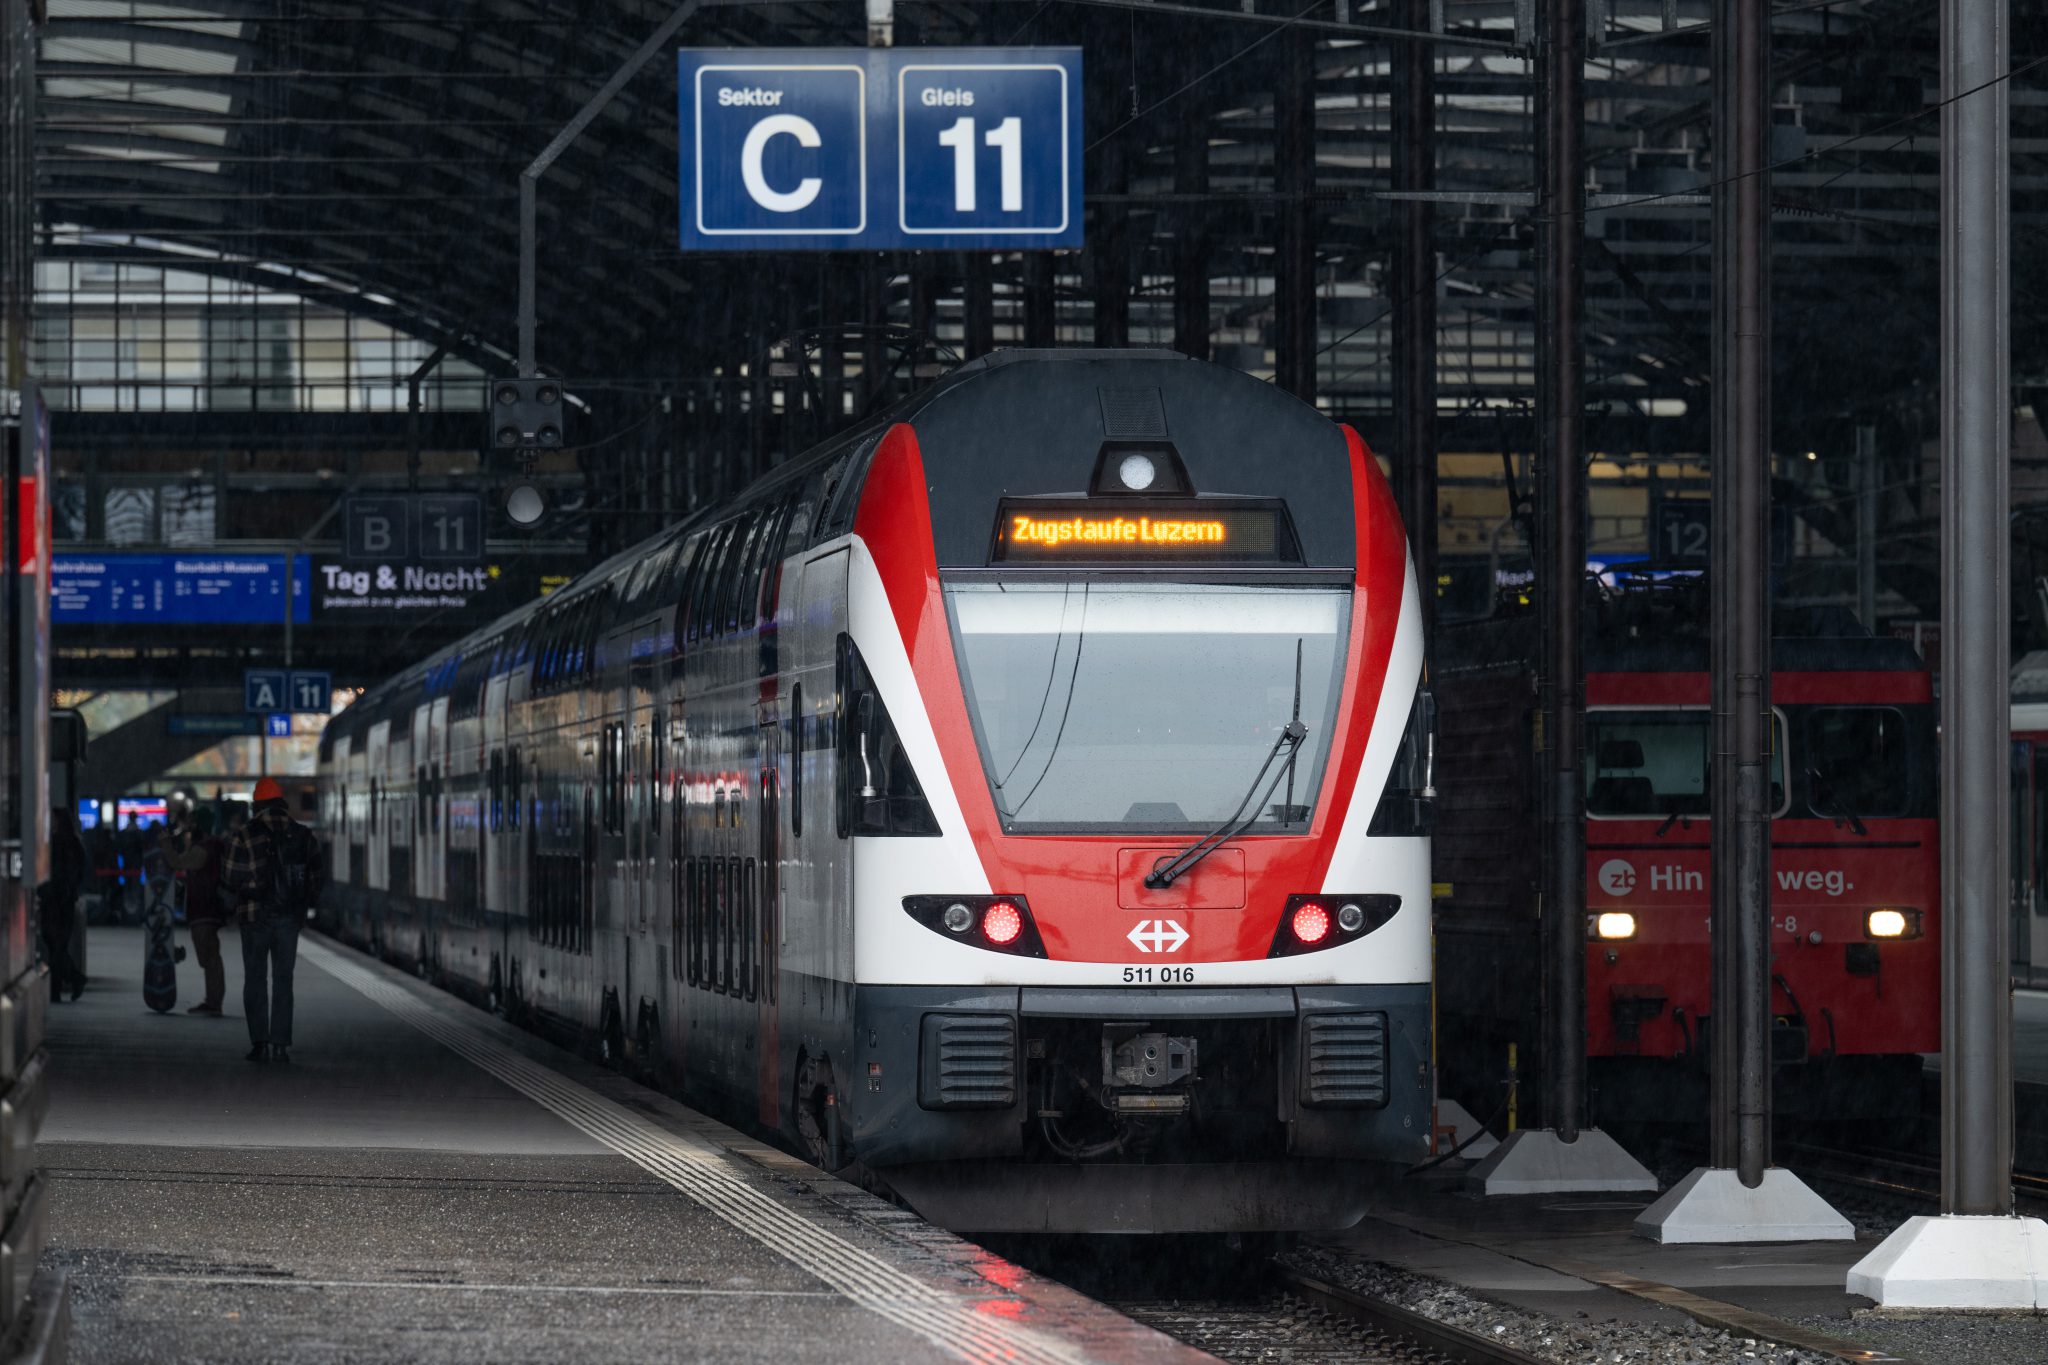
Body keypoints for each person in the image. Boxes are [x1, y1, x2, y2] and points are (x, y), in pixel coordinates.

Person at [222, 778, 322, 1063]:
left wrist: (253, 887)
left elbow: (230, 876)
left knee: (255, 979)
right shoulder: (303, 835)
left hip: (254, 916)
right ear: (281, 803)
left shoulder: (245, 834)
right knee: (283, 980)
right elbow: (316, 877)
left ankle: (260, 1043)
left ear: (257, 805)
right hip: (289, 918)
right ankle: (280, 1044)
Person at [161, 807, 226, 1015]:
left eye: (192, 822)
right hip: (209, 907)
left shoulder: (203, 849)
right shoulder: (213, 845)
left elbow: (177, 862)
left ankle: (213, 1002)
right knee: (211, 956)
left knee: (209, 957)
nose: (188, 827)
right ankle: (213, 1000)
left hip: (203, 908)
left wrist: (166, 844)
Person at [39, 808, 87, 1001]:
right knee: (58, 945)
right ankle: (67, 982)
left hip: (55, 899)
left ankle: (64, 984)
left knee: (55, 945)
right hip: (64, 899)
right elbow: (80, 871)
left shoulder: (55, 843)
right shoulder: (74, 843)